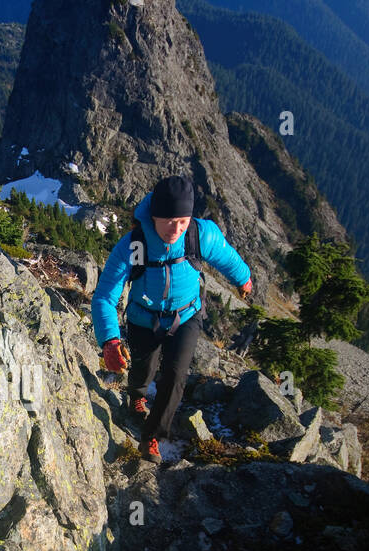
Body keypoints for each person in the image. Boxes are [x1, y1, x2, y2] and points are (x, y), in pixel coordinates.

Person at [91, 175, 252, 464]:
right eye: (168, 221)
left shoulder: (199, 235)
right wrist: (110, 340)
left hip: (186, 316)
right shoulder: (134, 245)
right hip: (143, 318)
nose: (176, 229)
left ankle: (152, 434)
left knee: (176, 375)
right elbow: (105, 295)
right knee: (143, 367)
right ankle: (136, 394)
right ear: (153, 214)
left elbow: (227, 257)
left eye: (182, 220)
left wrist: (244, 279)